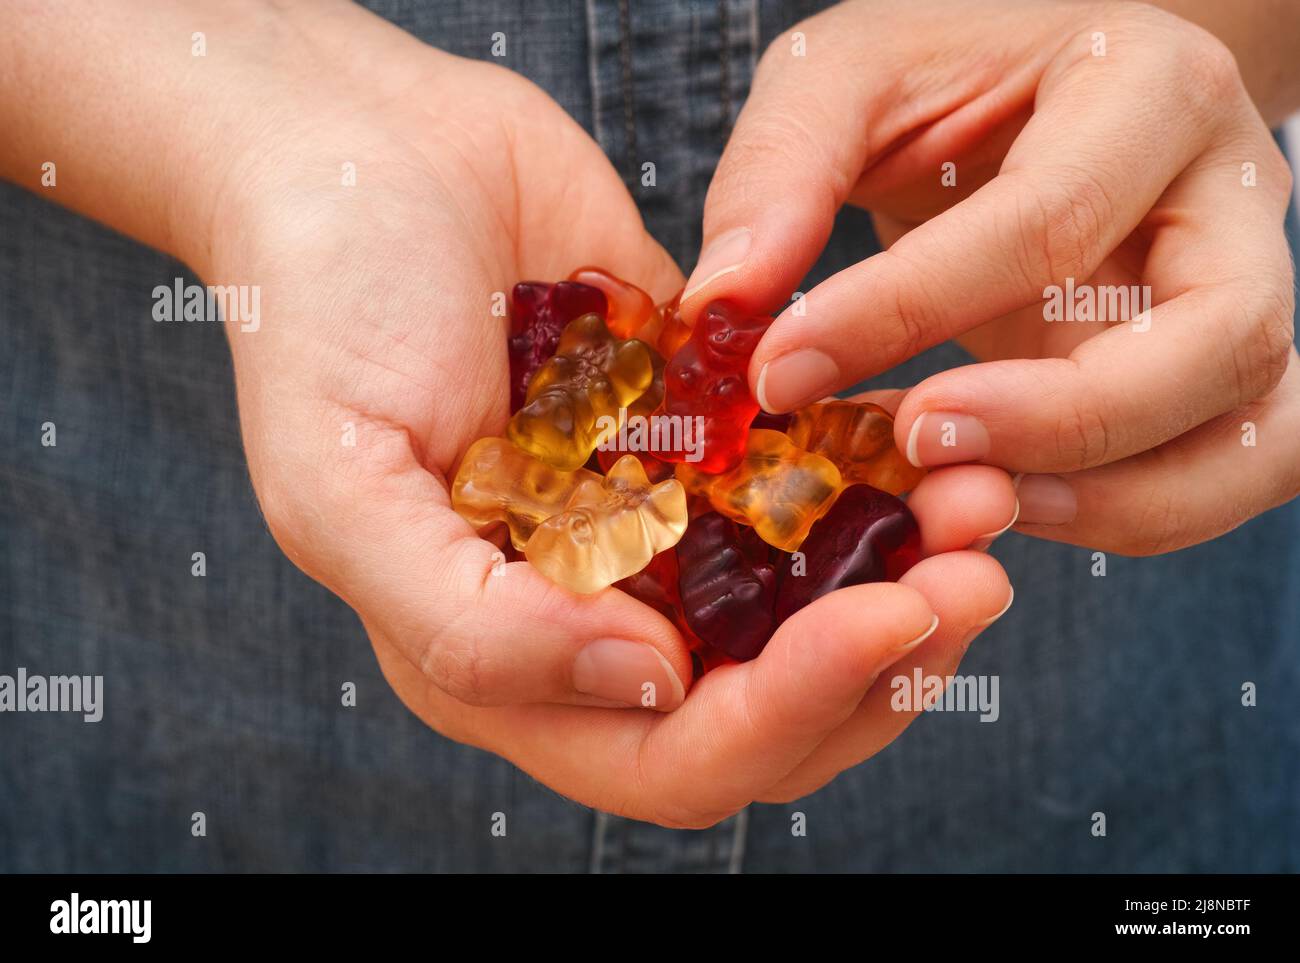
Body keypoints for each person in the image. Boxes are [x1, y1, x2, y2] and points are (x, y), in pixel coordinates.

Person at [1, 0, 1296, 872]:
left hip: (1087, 741)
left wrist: (1180, 36)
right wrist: (265, 121)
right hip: (179, 682)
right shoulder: (579, 400)